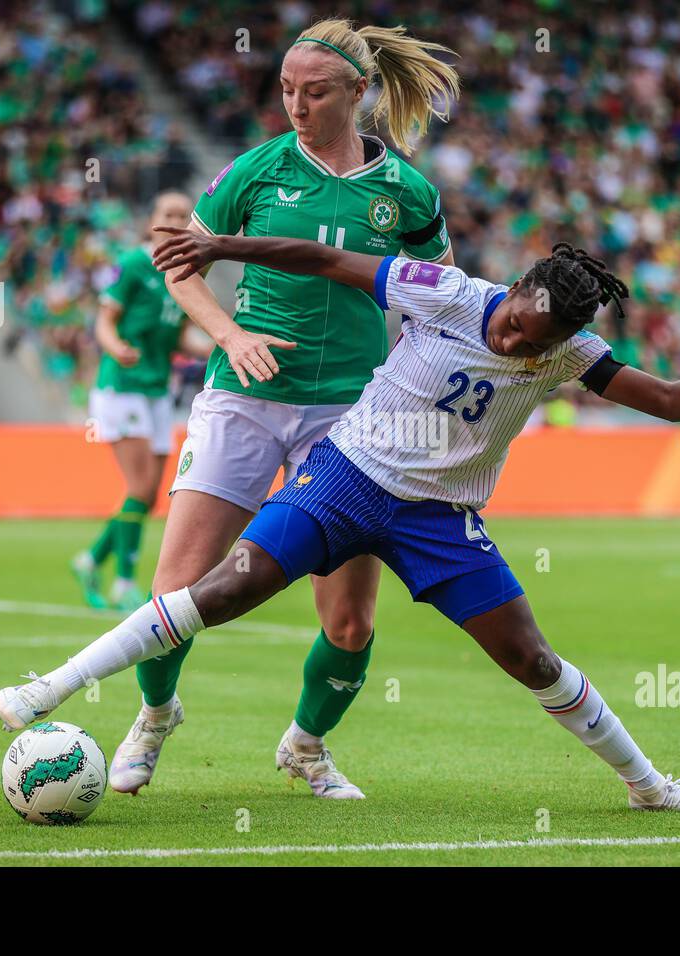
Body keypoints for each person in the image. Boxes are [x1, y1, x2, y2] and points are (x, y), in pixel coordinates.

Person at [0, 231, 680, 813]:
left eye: (531, 344)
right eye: (514, 325)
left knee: (530, 659)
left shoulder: (572, 353)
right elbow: (329, 261)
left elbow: (672, 403)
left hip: (439, 514)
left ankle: (649, 788)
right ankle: (51, 688)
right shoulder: (449, 292)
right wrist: (221, 246)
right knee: (228, 587)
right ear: (518, 288)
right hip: (348, 475)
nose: (512, 342)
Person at [106, 18, 460, 799]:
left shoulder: (407, 193)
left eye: (316, 91)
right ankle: (155, 716)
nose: (297, 105)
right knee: (177, 593)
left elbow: (444, 298)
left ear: (359, 93)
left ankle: (306, 745)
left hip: (352, 422)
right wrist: (229, 334)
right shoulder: (255, 171)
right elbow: (179, 265)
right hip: (245, 403)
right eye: (287, 90)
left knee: (351, 624)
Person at [71, 192, 212, 610]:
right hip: (122, 385)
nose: (173, 219)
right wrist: (115, 348)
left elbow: (180, 335)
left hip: (155, 389)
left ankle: (90, 559)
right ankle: (124, 582)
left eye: (182, 215)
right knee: (140, 487)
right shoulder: (133, 264)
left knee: (148, 496)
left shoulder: (187, 269)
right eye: (166, 213)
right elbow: (104, 320)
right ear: (152, 221)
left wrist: (223, 344)